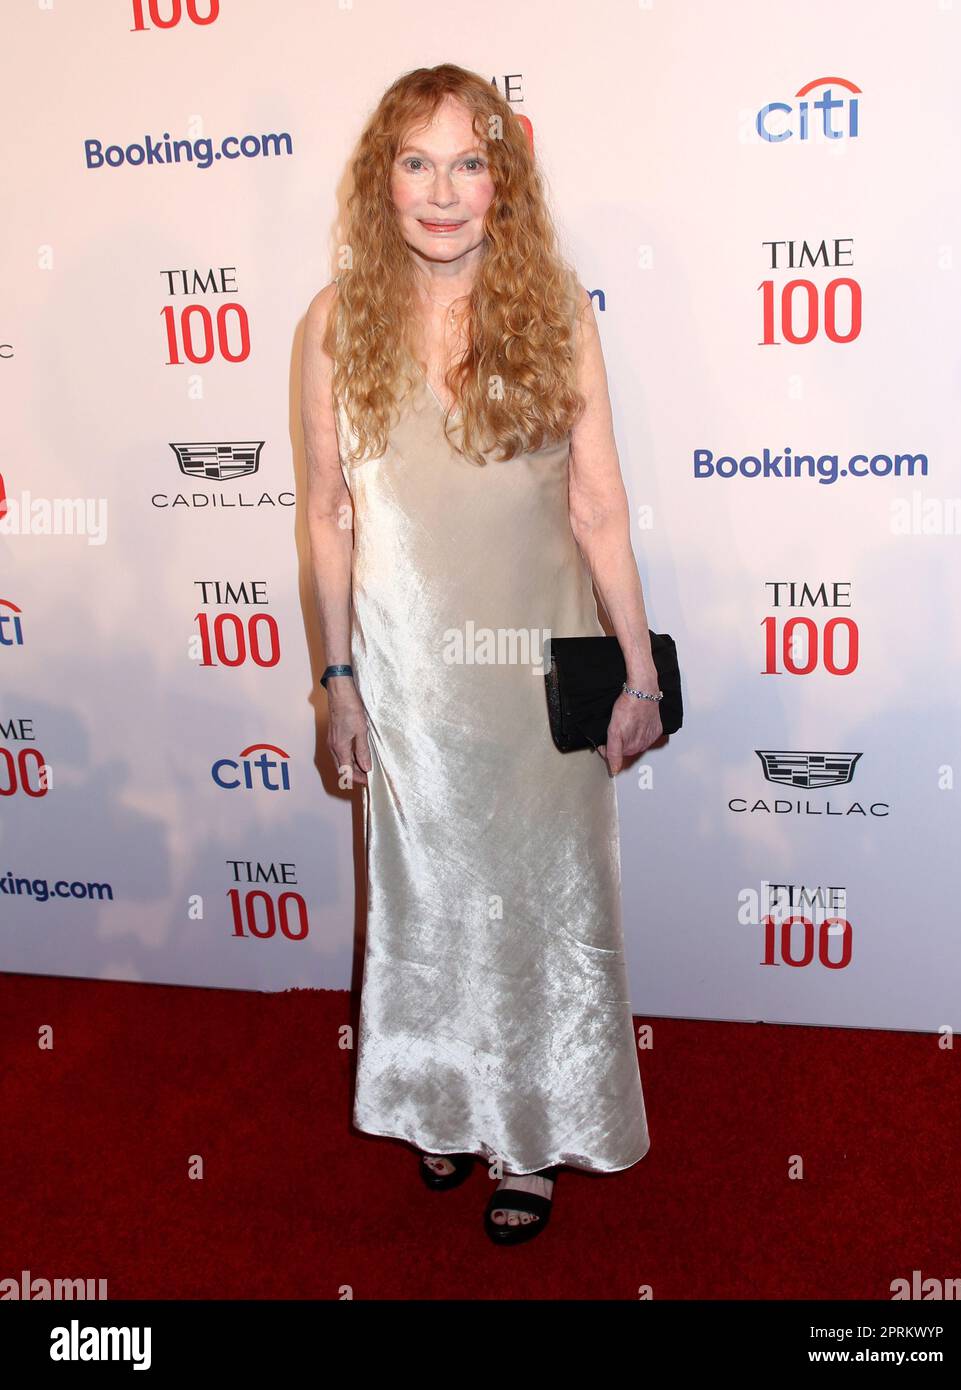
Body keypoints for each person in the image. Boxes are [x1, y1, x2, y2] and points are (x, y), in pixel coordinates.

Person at [302, 64, 664, 1246]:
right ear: (382, 181)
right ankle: (443, 1103)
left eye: (468, 162)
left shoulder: (553, 308)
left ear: (500, 181)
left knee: (542, 908)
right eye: (417, 162)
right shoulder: (331, 322)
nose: (443, 190)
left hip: (535, 676)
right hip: (410, 684)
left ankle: (532, 1134)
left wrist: (641, 672)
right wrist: (340, 678)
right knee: (429, 907)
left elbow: (600, 503)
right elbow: (327, 514)